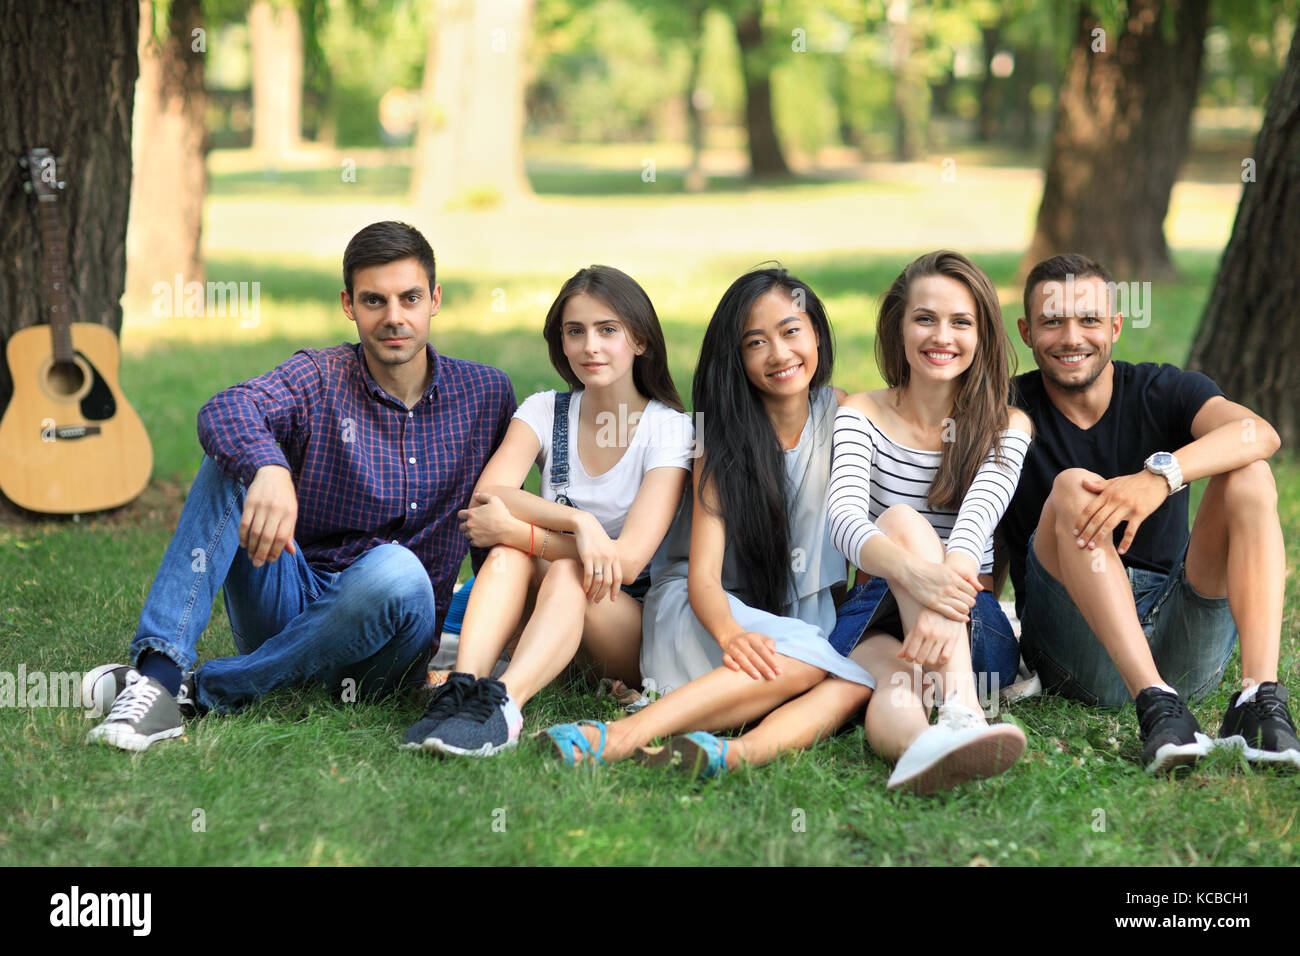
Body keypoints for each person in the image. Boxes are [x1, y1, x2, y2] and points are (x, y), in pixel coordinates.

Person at [82, 221, 516, 751]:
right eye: (374, 300)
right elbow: (227, 408)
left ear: (435, 299)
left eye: (410, 298)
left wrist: (489, 654)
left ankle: (201, 689)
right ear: (348, 305)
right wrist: (269, 468)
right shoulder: (321, 375)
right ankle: (159, 676)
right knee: (232, 460)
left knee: (398, 568)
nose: (394, 317)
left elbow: (491, 536)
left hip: (391, 640)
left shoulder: (485, 394)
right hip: (290, 601)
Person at [542, 268, 876, 776]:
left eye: (791, 332)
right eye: (756, 343)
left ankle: (727, 756)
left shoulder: (844, 413)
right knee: (812, 661)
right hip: (701, 612)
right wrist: (728, 635)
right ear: (737, 359)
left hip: (792, 625)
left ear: (817, 335)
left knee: (853, 682)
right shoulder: (718, 442)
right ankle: (622, 735)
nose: (780, 354)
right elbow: (701, 577)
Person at [1000, 253, 1299, 773]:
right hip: (1077, 648)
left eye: (1090, 319)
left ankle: (1258, 698)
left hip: (1180, 633)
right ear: (1027, 331)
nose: (1073, 337)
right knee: (1072, 487)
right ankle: (1155, 706)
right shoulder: (1004, 410)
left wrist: (1160, 477)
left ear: (1114, 325)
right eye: (1053, 322)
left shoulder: (1163, 389)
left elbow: (1260, 434)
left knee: (1250, 470)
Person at [400, 265, 694, 756]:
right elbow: (488, 497)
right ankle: (464, 690)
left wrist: (530, 535)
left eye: (607, 330)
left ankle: (504, 708)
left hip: (626, 622)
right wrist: (579, 523)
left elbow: (625, 563)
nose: (589, 347)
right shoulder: (545, 410)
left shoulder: (669, 429)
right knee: (513, 557)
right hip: (550, 621)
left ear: (640, 340)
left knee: (559, 570)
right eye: (574, 332)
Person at [824, 250, 1031, 795]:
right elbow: (842, 518)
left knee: (900, 519)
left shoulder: (1007, 424)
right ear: (898, 327)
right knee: (896, 680)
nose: (943, 336)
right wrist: (916, 579)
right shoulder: (862, 413)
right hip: (875, 610)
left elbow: (973, 528)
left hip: (973, 621)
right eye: (925, 318)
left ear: (982, 334)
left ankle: (962, 707)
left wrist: (939, 595)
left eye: (961, 322)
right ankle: (923, 752)